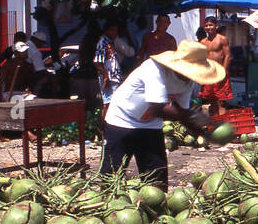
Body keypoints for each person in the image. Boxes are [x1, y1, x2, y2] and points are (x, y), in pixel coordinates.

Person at [100, 40, 223, 191]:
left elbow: (181, 113)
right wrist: (193, 115)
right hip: (121, 121)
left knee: (157, 181)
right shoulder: (154, 69)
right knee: (112, 177)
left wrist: (204, 132)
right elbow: (159, 109)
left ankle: (155, 213)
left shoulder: (187, 82)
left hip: (150, 125)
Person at [94, 22, 125, 142]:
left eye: (116, 30)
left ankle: (108, 132)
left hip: (114, 79)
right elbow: (97, 62)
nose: (114, 33)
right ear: (106, 30)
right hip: (109, 80)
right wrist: (106, 76)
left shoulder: (110, 42)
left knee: (112, 104)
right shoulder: (102, 42)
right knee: (107, 105)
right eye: (112, 30)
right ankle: (103, 132)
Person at [199, 16, 233, 117]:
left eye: (211, 25)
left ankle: (222, 125)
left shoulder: (222, 39)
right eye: (206, 25)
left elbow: (228, 56)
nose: (209, 27)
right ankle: (214, 126)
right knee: (212, 101)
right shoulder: (202, 42)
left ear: (216, 26)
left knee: (221, 101)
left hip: (220, 73)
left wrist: (223, 71)